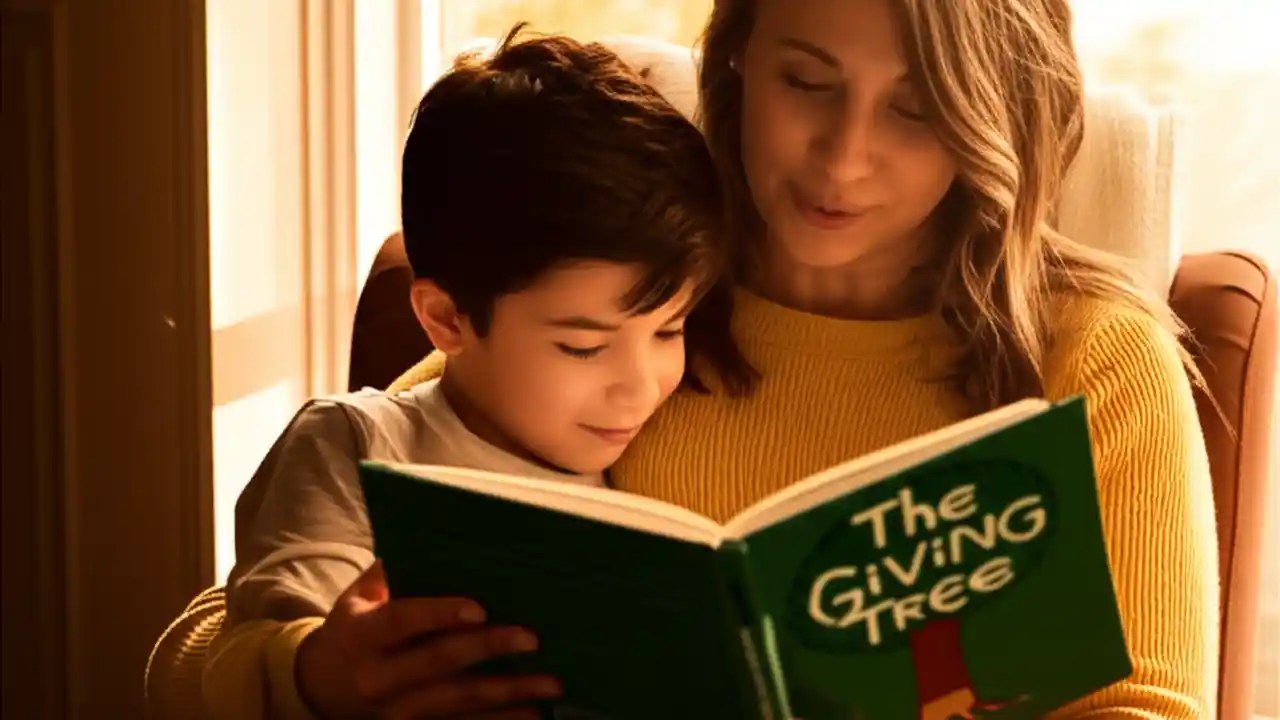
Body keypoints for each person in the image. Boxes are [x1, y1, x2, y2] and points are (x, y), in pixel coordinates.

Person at [391, 0, 1219, 716]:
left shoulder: (1093, 359)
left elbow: (1146, 708)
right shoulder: (639, 302)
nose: (843, 158)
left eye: (917, 108)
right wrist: (306, 670)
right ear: (738, 57)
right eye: (807, 83)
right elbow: (373, 465)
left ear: (988, 114)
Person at [201, 26, 753, 720]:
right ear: (446, 321)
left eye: (669, 329)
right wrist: (324, 671)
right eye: (583, 347)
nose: (640, 386)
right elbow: (272, 645)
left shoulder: (656, 454)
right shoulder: (358, 446)